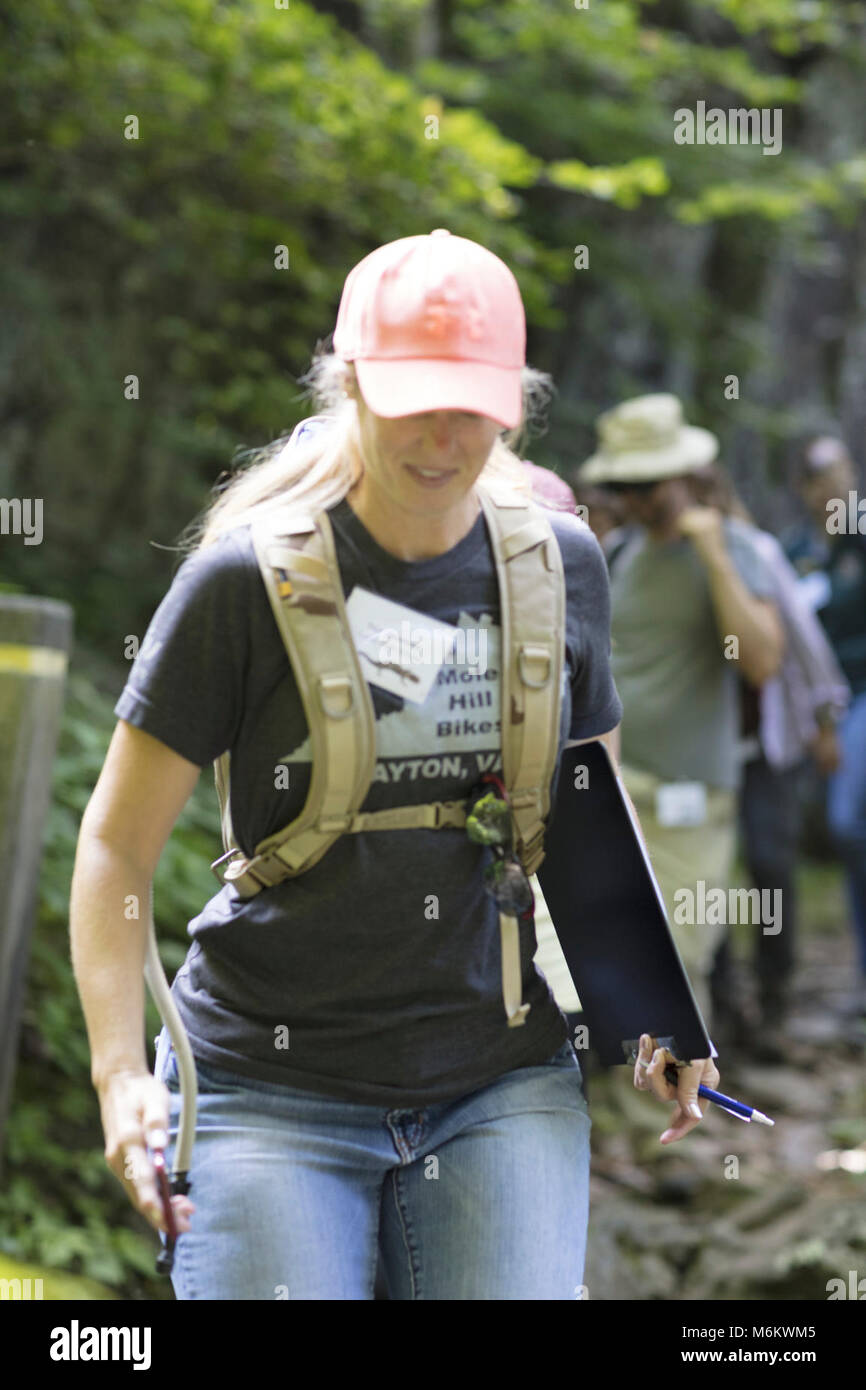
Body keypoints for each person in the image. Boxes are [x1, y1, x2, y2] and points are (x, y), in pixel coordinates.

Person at [70, 231, 719, 1302]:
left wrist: (651, 1006)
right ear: (349, 380)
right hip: (264, 1080)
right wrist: (119, 1079)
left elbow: (585, 815)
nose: (439, 434)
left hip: (496, 1076)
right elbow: (114, 844)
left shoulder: (559, 567)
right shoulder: (245, 583)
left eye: (470, 401)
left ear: (514, 398)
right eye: (411, 395)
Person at [576, 394, 785, 1029]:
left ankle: (664, 1118)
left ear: (684, 475)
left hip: (692, 800)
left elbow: (762, 661)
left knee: (681, 960)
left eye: (647, 483)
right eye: (622, 485)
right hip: (620, 792)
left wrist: (715, 553)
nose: (635, 499)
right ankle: (622, 1121)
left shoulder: (735, 548)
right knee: (611, 961)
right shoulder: (616, 555)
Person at [685, 467, 851, 1056]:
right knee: (705, 880)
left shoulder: (757, 554)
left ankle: (776, 996)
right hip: (697, 756)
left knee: (770, 866)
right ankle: (728, 1008)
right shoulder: (655, 564)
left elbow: (804, 644)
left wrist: (826, 719)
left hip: (766, 749)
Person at [785, 436, 866, 1016]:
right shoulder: (792, 552)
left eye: (842, 472)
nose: (833, 485)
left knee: (848, 822)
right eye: (821, 476)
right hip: (804, 711)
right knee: (796, 841)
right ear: (804, 487)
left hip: (861, 698)